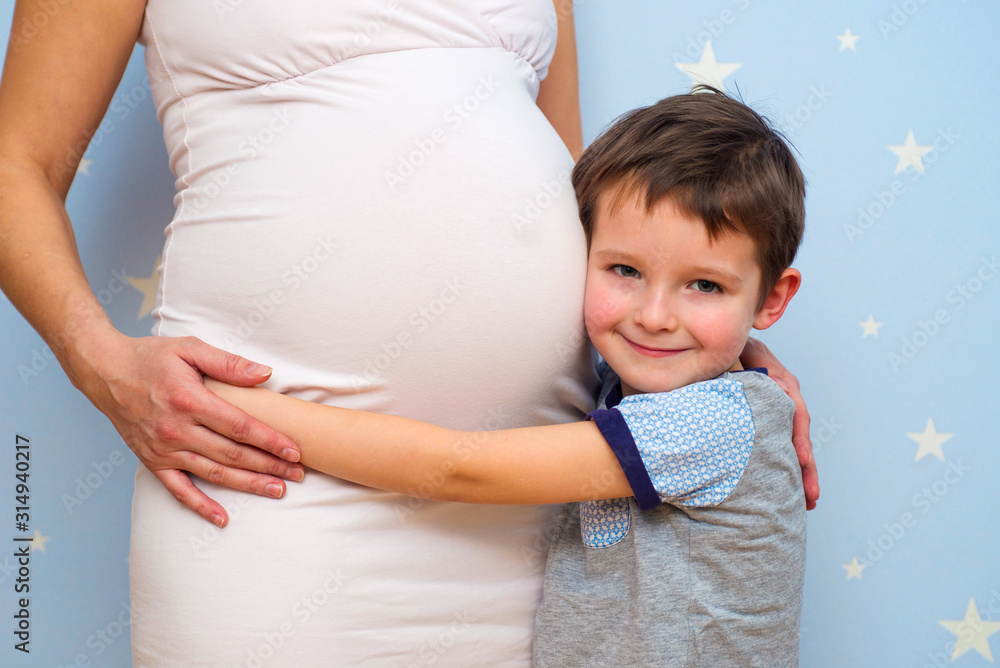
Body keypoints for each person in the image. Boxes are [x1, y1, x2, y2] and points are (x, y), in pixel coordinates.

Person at [0, 0, 816, 664]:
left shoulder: (707, 420)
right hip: (267, 472)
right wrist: (100, 360)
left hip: (539, 509)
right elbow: (16, 164)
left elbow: (583, 197)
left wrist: (713, 353)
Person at [204, 88, 808, 666]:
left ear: (771, 298)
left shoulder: (717, 421)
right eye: (624, 270)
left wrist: (236, 403)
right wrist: (736, 335)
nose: (653, 317)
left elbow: (464, 466)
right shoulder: (640, 387)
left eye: (705, 286)